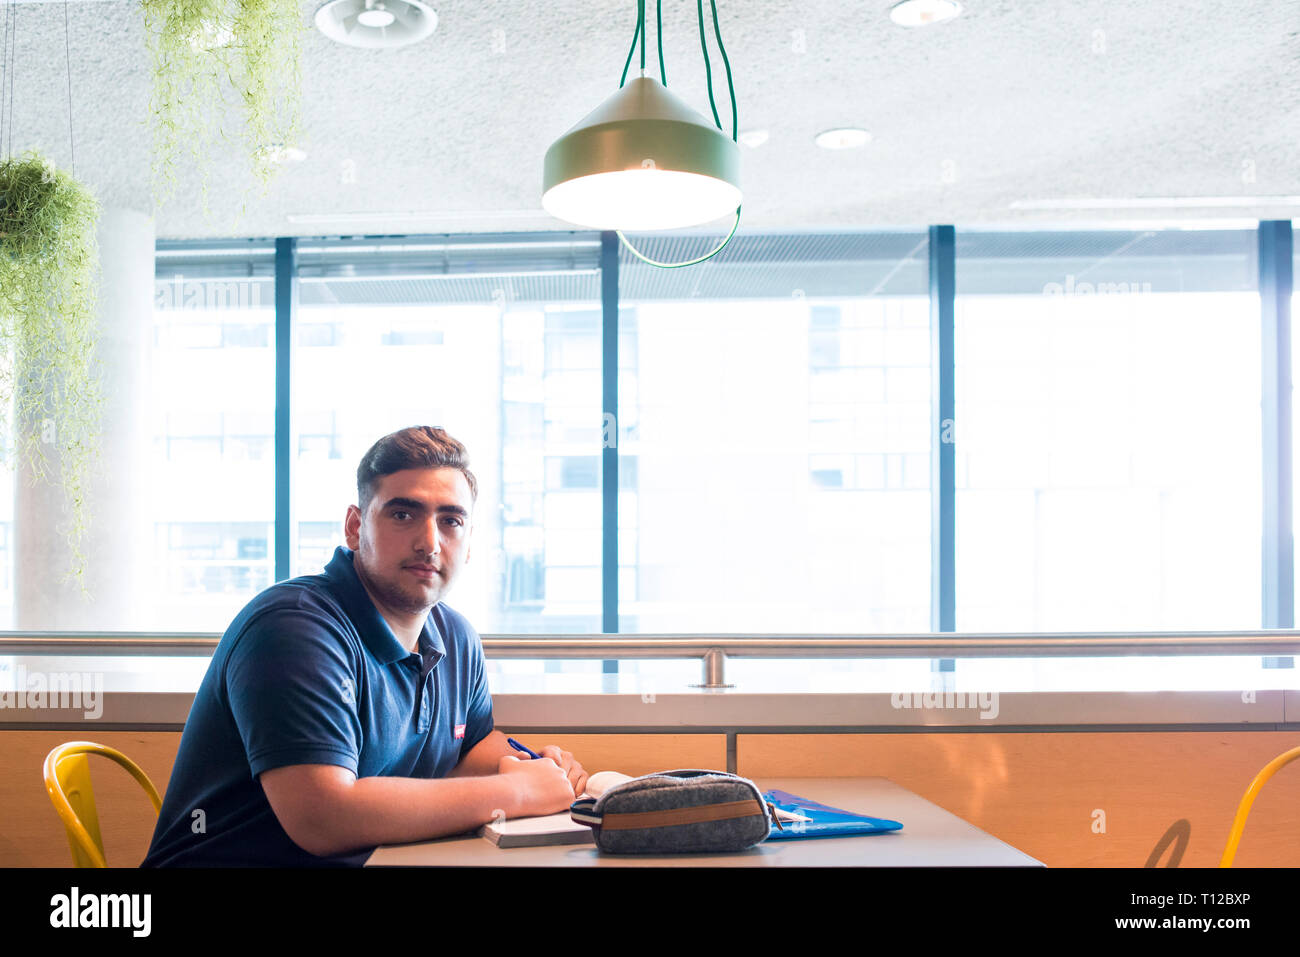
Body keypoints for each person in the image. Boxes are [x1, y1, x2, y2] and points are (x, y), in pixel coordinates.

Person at [143, 426, 585, 866]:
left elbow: (468, 749)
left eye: (451, 521)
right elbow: (324, 817)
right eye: (402, 514)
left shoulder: (456, 636)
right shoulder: (292, 629)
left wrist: (536, 766)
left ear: (469, 542)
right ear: (355, 527)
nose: (429, 542)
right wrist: (518, 790)